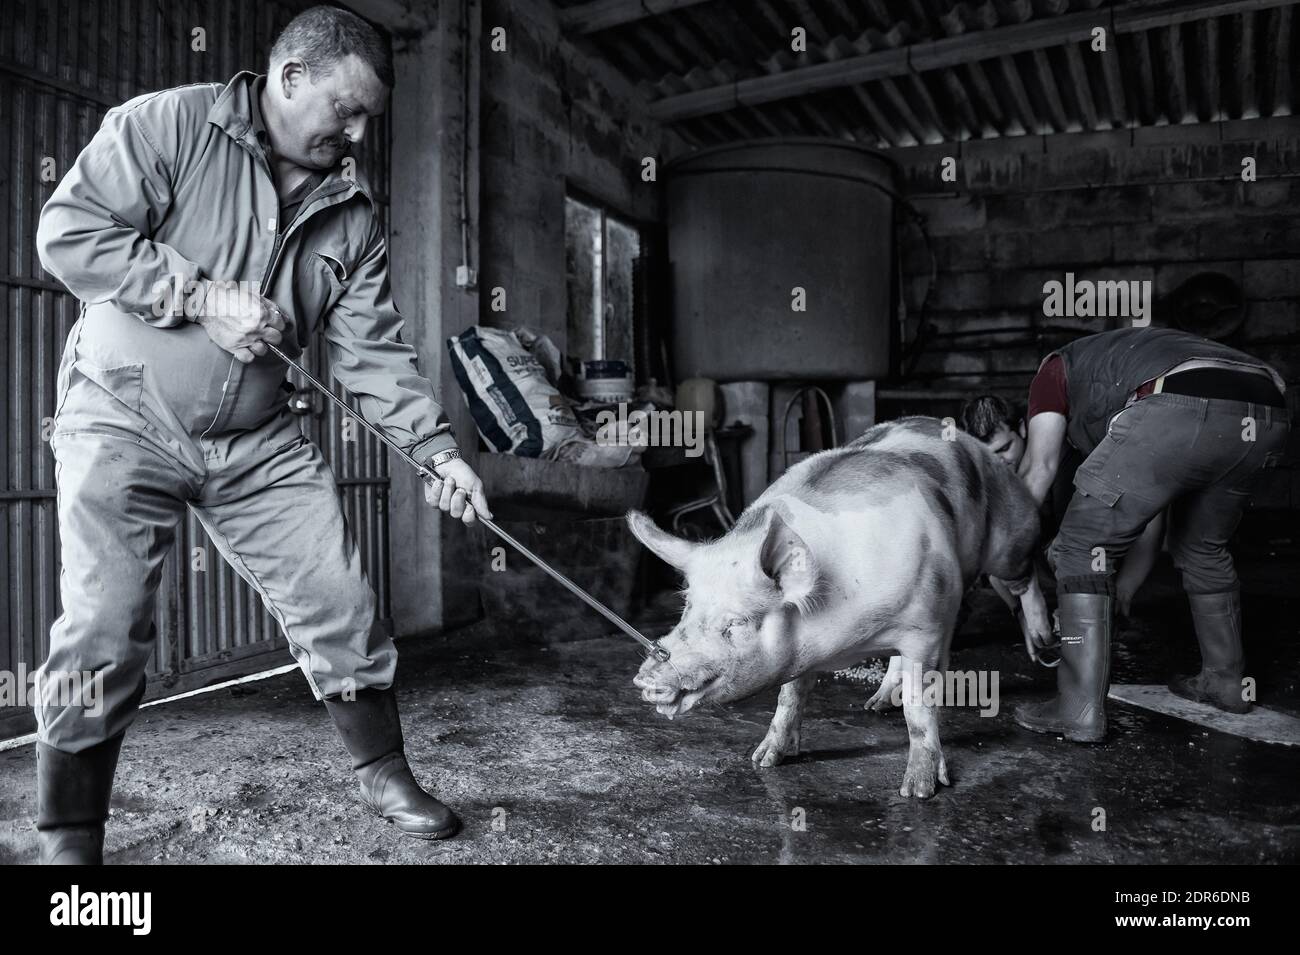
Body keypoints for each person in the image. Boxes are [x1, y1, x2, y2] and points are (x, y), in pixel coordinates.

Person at [32, 6, 490, 863]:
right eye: (344, 111)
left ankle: (383, 770)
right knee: (105, 622)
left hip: (257, 439)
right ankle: (69, 832)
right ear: (290, 78)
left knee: (341, 598)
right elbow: (68, 234)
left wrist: (436, 453)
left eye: (368, 120)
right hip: (122, 412)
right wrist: (199, 293)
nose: (356, 136)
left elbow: (373, 351)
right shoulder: (168, 126)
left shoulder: (351, 214)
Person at [1008, 326, 1289, 742]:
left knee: (1079, 544)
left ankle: (1078, 709)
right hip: (1266, 408)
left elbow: (1039, 469)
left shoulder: (1053, 370)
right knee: (1203, 548)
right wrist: (1121, 591)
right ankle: (1225, 682)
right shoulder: (1128, 363)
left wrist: (1007, 559)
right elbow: (1148, 510)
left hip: (1179, 404)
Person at [960, 395, 1165, 619]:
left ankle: (1089, 600)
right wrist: (1020, 610)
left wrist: (1123, 590)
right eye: (988, 455)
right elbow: (994, 560)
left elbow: (1148, 519)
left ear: (1022, 428)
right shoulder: (987, 474)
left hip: (1098, 551)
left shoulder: (1062, 456)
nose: (999, 461)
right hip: (1050, 558)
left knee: (1064, 551)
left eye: (1005, 448)